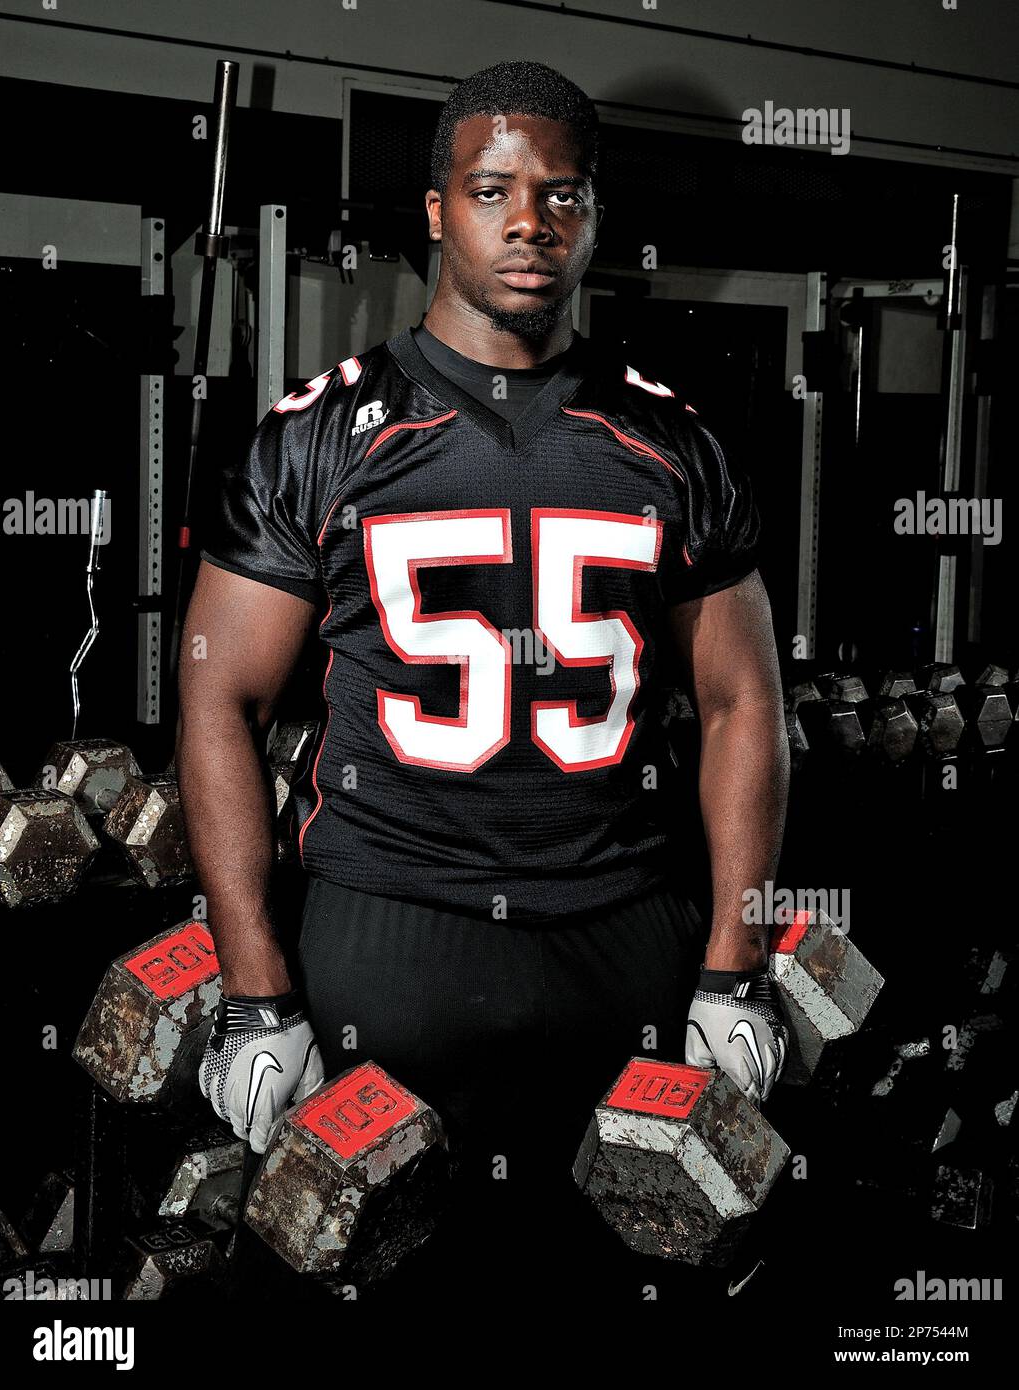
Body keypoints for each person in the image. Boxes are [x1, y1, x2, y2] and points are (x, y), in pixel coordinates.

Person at [177, 59, 790, 1301]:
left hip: (620, 933)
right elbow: (216, 699)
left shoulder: (671, 438)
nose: (529, 223)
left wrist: (732, 961)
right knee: (370, 1286)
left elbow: (742, 704)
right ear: (436, 211)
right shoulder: (317, 433)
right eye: (493, 190)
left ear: (595, 220)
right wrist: (253, 986)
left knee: (619, 1283)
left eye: (562, 196)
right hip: (384, 937)